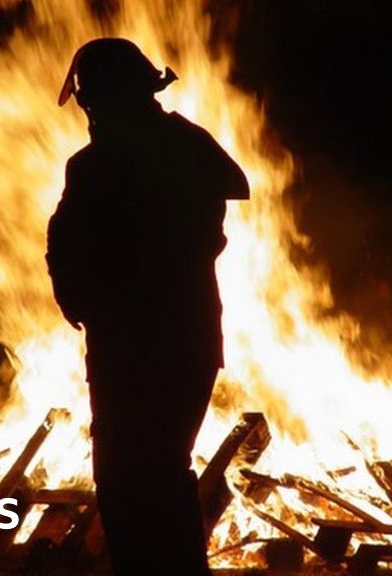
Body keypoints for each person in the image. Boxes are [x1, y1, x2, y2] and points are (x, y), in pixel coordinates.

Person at [45, 38, 249, 575]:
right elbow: (213, 221)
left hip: (132, 349)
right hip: (186, 342)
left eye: (93, 100)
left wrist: (82, 297)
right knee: (161, 474)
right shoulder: (189, 147)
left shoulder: (96, 166)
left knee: (129, 482)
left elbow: (71, 245)